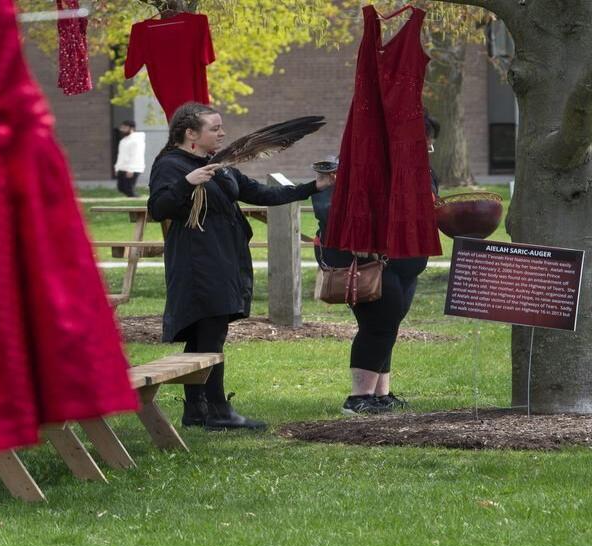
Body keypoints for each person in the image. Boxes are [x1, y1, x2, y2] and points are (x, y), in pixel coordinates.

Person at [148, 102, 334, 431]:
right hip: (197, 262)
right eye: (214, 128)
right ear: (190, 133)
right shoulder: (172, 165)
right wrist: (188, 182)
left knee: (204, 334)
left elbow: (260, 193)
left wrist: (311, 187)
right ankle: (218, 411)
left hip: (223, 257)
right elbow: (159, 208)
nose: (222, 133)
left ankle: (196, 411)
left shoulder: (219, 164)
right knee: (210, 332)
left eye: (221, 128)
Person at [311, 110, 440, 414]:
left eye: (429, 144)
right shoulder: (359, 168)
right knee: (377, 327)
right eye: (423, 143)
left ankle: (380, 393)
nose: (427, 150)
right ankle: (358, 398)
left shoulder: (422, 173)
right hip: (371, 263)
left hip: (406, 263)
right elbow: (329, 209)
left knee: (388, 325)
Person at [114, 120, 146, 197]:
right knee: (120, 188)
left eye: (124, 128)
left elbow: (136, 155)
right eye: (121, 127)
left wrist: (131, 169)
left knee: (128, 189)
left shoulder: (137, 140)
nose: (122, 129)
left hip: (133, 168)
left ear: (131, 128)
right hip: (122, 167)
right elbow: (121, 155)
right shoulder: (123, 140)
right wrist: (117, 168)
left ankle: (137, 199)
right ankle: (133, 197)